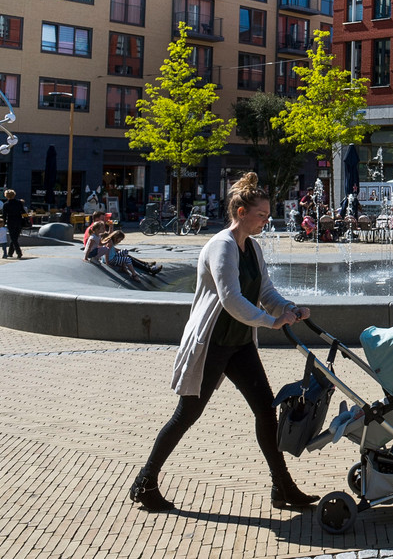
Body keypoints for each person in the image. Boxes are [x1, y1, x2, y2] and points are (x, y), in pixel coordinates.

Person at [129, 172, 316, 513]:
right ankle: (145, 481)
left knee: (265, 411)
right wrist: (271, 321)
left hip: (240, 343)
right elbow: (230, 298)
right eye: (261, 215)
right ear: (241, 213)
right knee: (186, 415)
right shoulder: (222, 246)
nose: (266, 221)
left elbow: (264, 292)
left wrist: (288, 308)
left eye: (267, 215)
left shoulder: (252, 247)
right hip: (213, 343)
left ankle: (283, 486)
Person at [2, 188, 26, 259]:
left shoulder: (6, 204)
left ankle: (19, 252)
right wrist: (27, 219)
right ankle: (10, 253)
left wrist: (3, 224)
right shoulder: (19, 202)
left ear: (6, 196)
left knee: (13, 238)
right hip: (19, 221)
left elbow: (4, 215)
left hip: (11, 222)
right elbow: (23, 212)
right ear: (14, 195)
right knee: (15, 237)